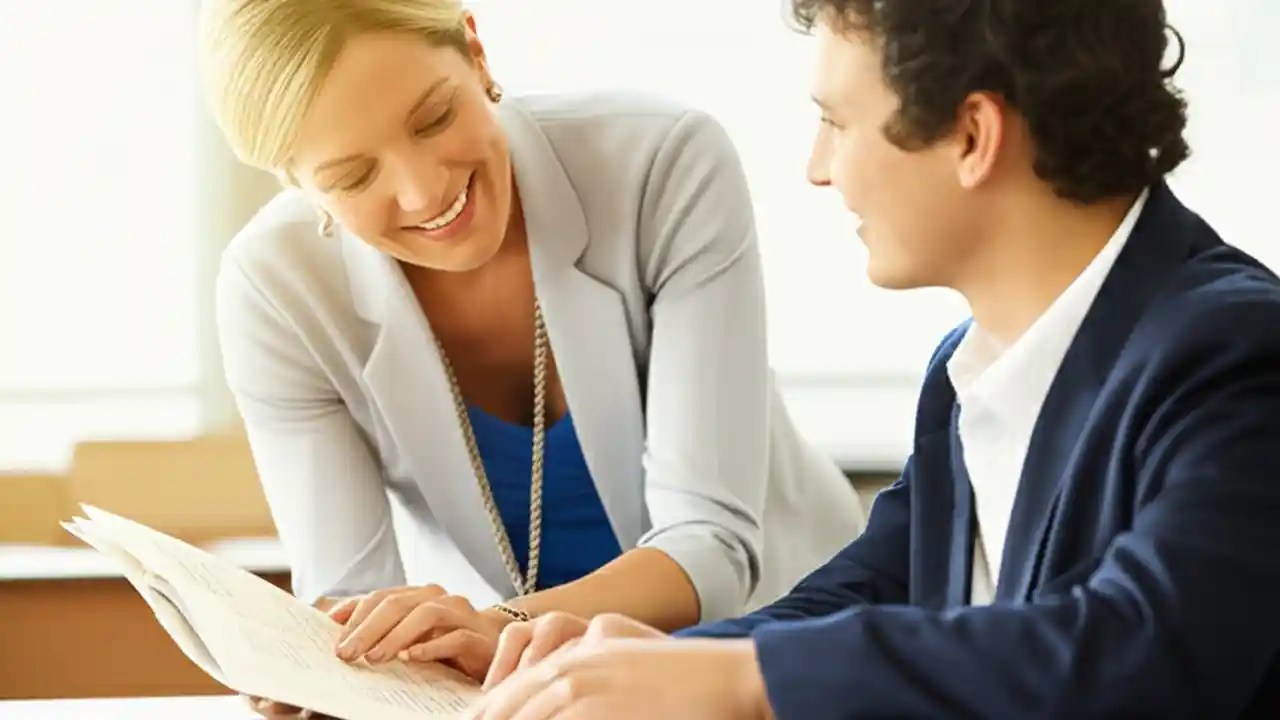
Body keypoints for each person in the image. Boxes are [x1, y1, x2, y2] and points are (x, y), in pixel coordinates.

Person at [474, 0, 1280, 717]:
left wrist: (747, 682)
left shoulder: (1234, 351)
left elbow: (1144, 647)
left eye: (837, 121)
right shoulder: (965, 373)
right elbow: (869, 587)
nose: (818, 168)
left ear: (973, 135)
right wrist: (627, 670)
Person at [198, 0, 865, 703]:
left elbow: (712, 544)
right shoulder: (274, 289)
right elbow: (352, 597)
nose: (424, 190)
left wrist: (500, 628)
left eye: (433, 119)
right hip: (533, 691)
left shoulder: (660, 161)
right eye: (352, 178)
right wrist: (334, 666)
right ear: (295, 182)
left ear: (475, 51)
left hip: (779, 650)